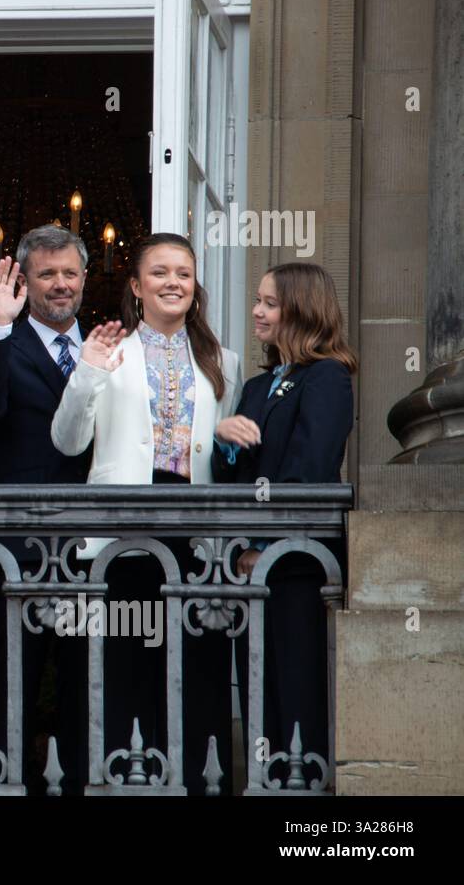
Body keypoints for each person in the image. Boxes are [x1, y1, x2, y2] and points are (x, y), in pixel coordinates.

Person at [50, 232, 241, 795]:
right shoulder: (109, 351)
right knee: (122, 670)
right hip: (120, 533)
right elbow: (66, 441)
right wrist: (87, 370)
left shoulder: (222, 360)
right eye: (159, 273)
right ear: (136, 286)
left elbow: (224, 453)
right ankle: (118, 785)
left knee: (198, 671)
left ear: (195, 286)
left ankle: (197, 785)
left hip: (195, 534)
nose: (173, 283)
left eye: (183, 273)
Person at [212, 262, 356, 779]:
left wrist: (264, 545)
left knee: (294, 692)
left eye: (269, 303)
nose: (256, 311)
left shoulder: (328, 377)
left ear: (301, 311)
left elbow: (309, 471)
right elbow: (237, 478)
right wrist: (223, 443)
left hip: (296, 566)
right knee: (258, 696)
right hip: (253, 567)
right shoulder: (257, 386)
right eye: (258, 300)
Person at [0, 225, 92, 792]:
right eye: (47, 274)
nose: (60, 284)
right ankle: (1, 783)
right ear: (26, 280)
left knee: (85, 677)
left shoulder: (111, 346)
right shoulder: (4, 343)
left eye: (69, 273)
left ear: (85, 278)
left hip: (95, 541)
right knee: (14, 675)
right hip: (22, 538)